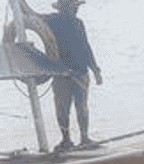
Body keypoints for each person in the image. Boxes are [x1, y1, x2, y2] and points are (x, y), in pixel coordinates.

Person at [42, 0, 102, 150]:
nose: (75, 9)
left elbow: (85, 46)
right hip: (61, 73)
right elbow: (32, 17)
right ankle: (66, 139)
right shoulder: (52, 20)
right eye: (73, 6)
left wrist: (95, 70)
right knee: (62, 109)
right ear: (63, 7)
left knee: (82, 107)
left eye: (76, 7)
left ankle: (84, 137)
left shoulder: (78, 23)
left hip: (81, 72)